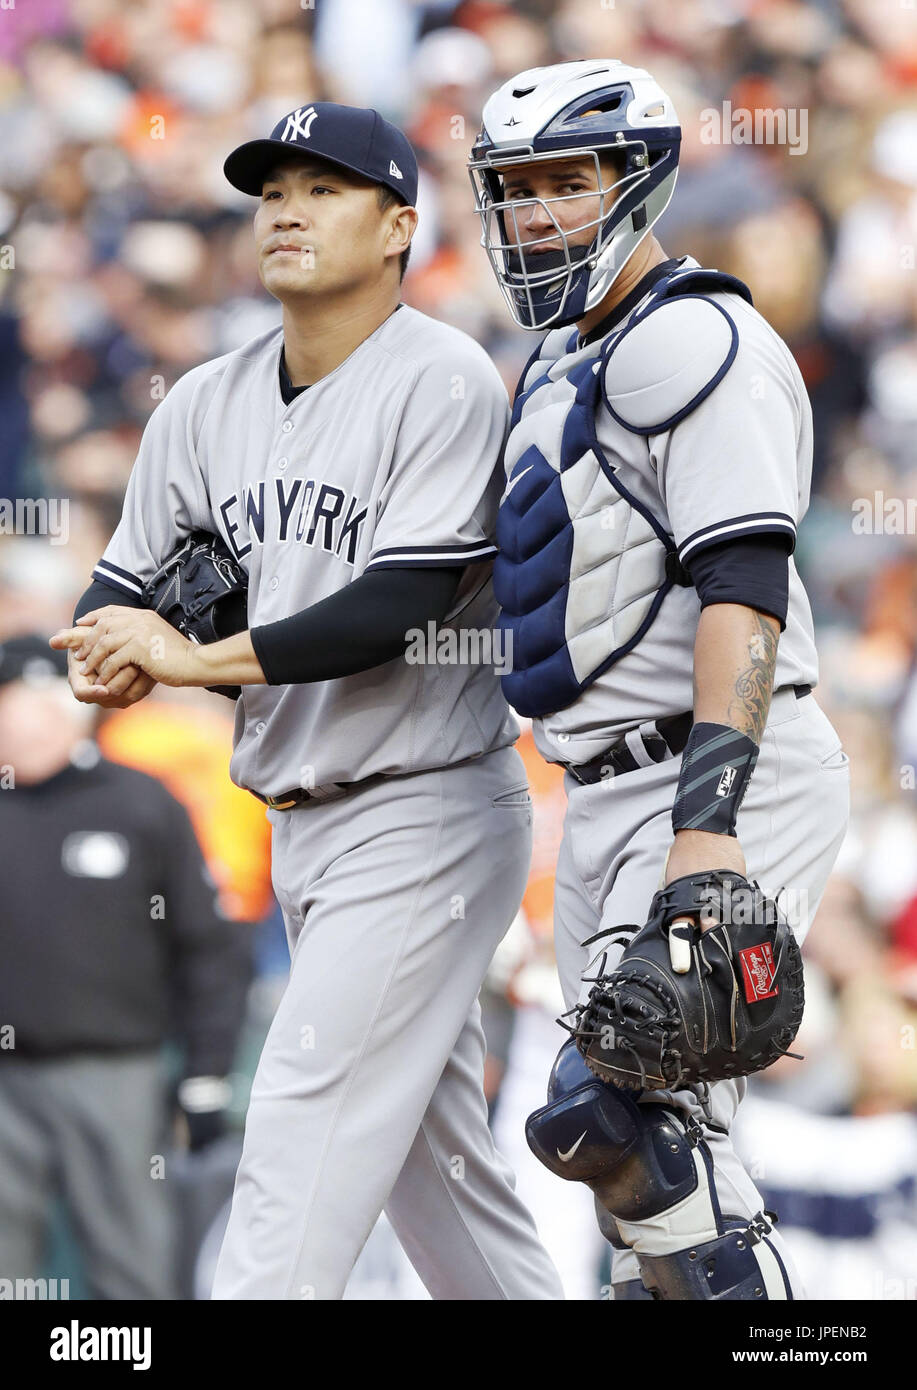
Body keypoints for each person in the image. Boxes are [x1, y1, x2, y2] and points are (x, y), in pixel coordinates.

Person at [51, 102, 563, 1300]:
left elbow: (393, 610)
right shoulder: (204, 400)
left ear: (397, 226)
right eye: (270, 188)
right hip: (301, 817)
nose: (284, 208)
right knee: (438, 1183)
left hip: (425, 805)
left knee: (294, 1134)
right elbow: (119, 583)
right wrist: (104, 645)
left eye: (323, 188)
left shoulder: (441, 379)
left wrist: (182, 660)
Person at [467, 59, 851, 1299]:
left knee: (619, 1114)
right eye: (513, 188)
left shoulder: (700, 335)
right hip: (601, 793)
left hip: (714, 774)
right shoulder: (555, 365)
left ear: (637, 184)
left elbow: (745, 585)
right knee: (632, 1175)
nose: (533, 215)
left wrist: (707, 833)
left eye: (563, 184)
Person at [0, 635, 251, 1299]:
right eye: (11, 705)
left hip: (118, 1074)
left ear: (77, 713)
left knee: (132, 1263)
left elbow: (209, 946)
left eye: (42, 704)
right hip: (5, 1079)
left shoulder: (141, 803)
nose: (27, 721)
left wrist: (206, 1075)